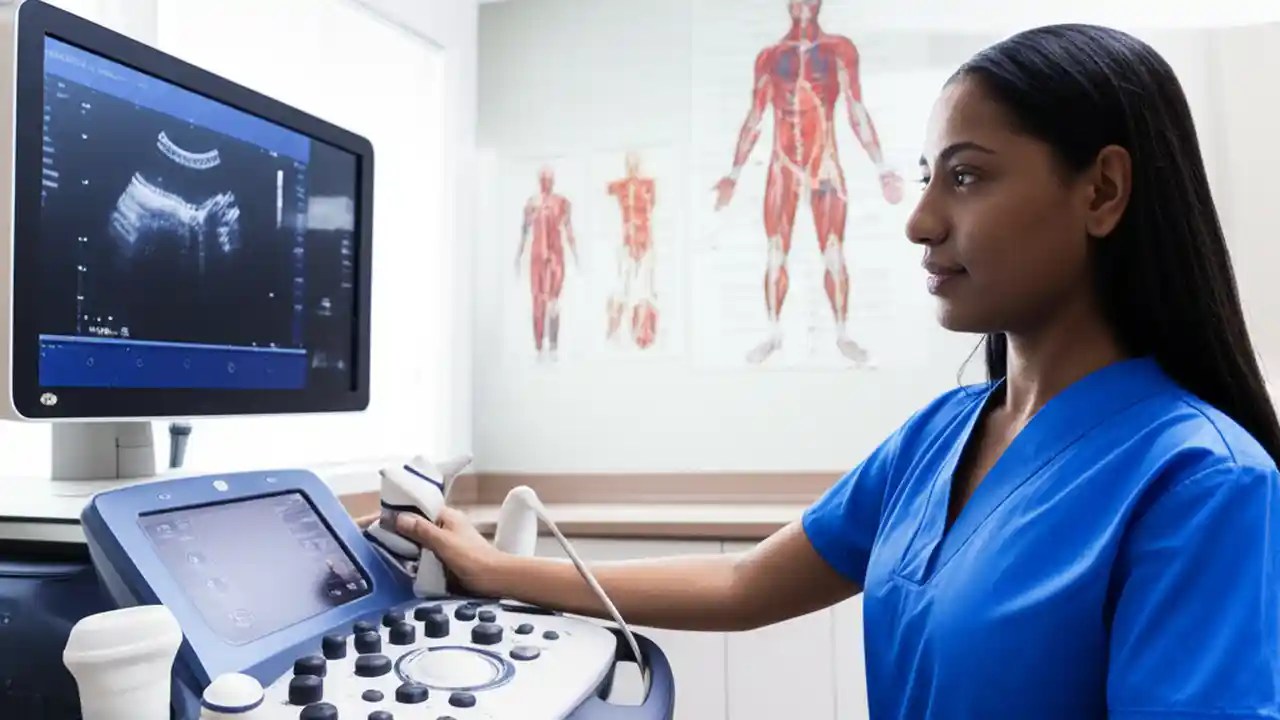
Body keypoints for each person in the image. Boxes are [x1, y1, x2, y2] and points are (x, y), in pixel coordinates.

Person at [399, 24, 1280, 719]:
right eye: (928, 176)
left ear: (1102, 191)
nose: (920, 222)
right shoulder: (943, 434)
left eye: (967, 178)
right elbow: (746, 584)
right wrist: (496, 571)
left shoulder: (1202, 483)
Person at [712, 0, 905, 366]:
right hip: (782, 165)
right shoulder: (770, 56)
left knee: (833, 252)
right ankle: (773, 332)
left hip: (824, 163)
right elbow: (755, 117)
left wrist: (881, 167)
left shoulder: (838, 49)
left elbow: (855, 109)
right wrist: (733, 175)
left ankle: (842, 334)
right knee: (774, 253)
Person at [515, 166, 578, 361]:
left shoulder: (562, 202)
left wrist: (576, 255)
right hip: (537, 257)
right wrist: (518, 255)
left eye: (549, 178)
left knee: (553, 301)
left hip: (555, 255)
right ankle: (538, 345)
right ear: (539, 180)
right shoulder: (531, 203)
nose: (546, 181)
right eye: (543, 178)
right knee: (537, 301)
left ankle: (553, 346)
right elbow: (524, 232)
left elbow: (569, 230)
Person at [605, 151, 659, 349]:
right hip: (630, 242)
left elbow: (650, 207)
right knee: (623, 288)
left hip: (643, 242)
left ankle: (640, 334)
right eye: (631, 164)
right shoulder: (627, 185)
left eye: (634, 164)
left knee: (643, 290)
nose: (633, 168)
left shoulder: (646, 185)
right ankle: (613, 333)